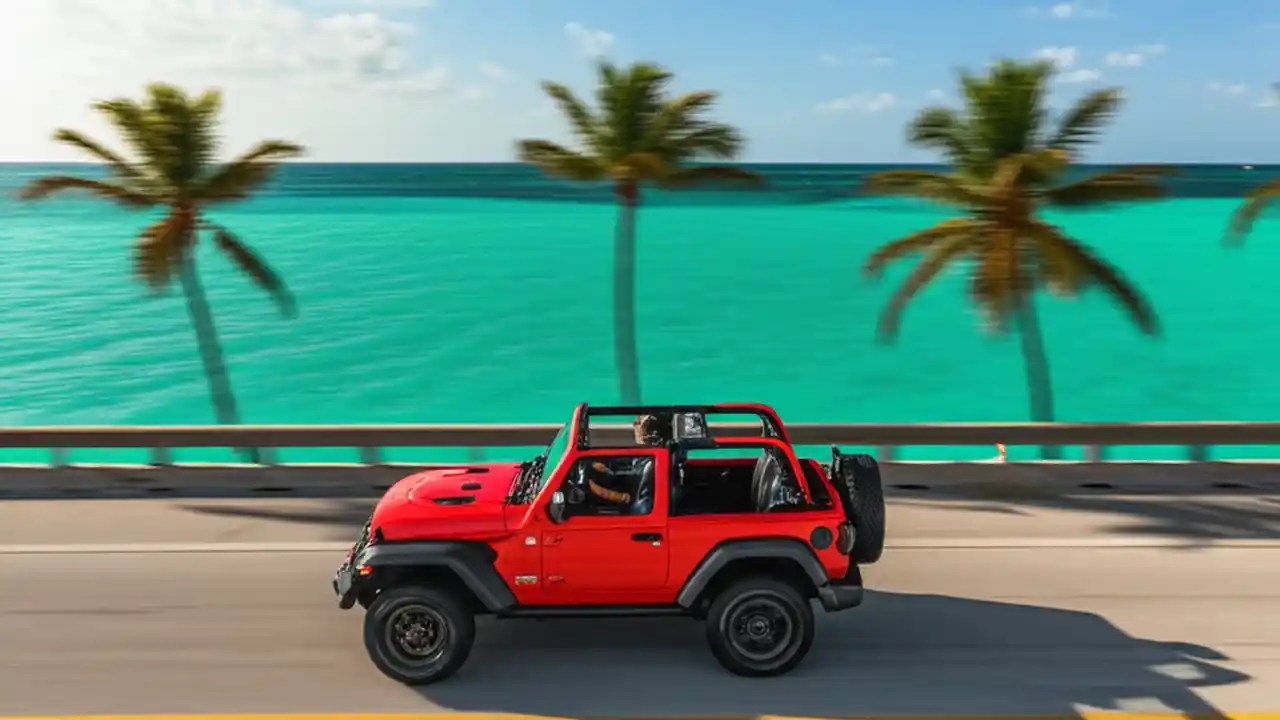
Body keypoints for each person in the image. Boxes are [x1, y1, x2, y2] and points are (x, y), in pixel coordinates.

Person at [586, 414, 665, 505]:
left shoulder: (650, 465)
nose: (634, 423)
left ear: (652, 434)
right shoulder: (646, 457)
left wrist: (609, 494)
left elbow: (628, 496)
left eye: (639, 422)